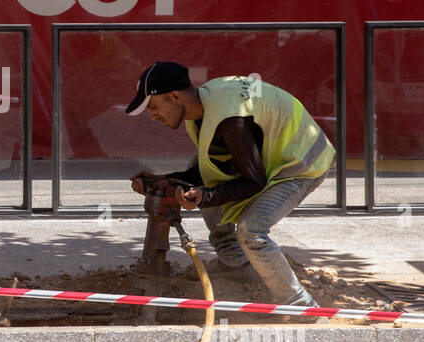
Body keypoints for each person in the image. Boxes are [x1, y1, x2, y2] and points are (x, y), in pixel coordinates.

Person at [126, 62, 333, 308]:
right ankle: (234, 262)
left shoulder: (231, 121)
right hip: (270, 156)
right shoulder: (201, 108)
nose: (153, 115)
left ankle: (302, 306)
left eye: (153, 106)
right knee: (204, 171)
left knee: (251, 231)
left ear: (174, 96)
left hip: (302, 163)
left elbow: (253, 183)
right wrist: (166, 180)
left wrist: (205, 197)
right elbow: (210, 170)